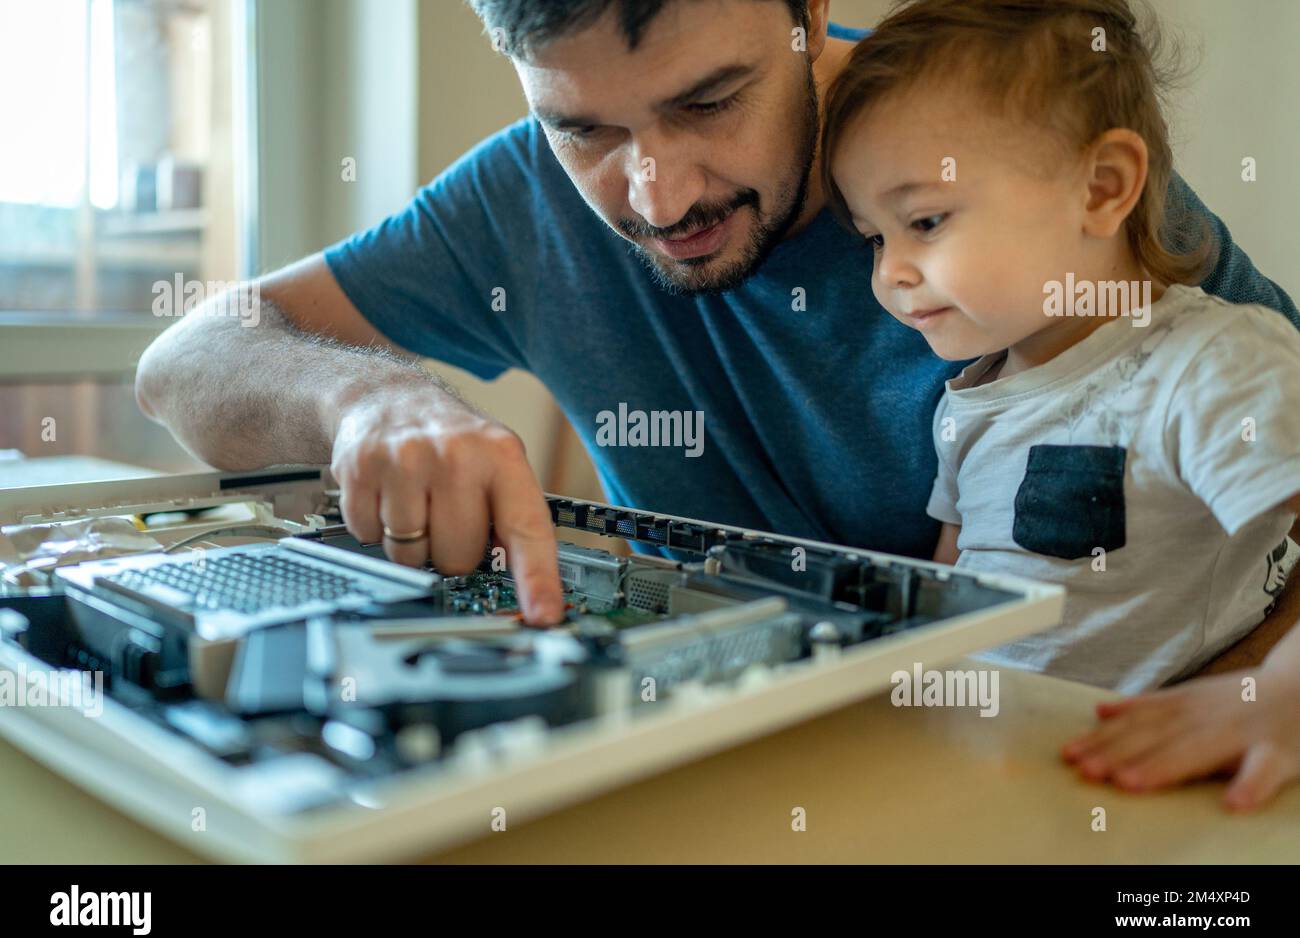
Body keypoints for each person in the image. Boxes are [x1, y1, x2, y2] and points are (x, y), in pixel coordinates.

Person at [134, 0, 1297, 638]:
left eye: (712, 101)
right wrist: (367, 396)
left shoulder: (1000, 164)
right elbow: (185, 361)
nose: (661, 195)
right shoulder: (516, 199)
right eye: (583, 128)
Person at [821, 0, 1300, 806]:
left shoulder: (1212, 364)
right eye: (875, 237)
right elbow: (947, 599)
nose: (889, 272)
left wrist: (1283, 702)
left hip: (1144, 790)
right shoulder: (971, 398)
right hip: (986, 776)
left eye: (925, 220)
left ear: (1102, 188)